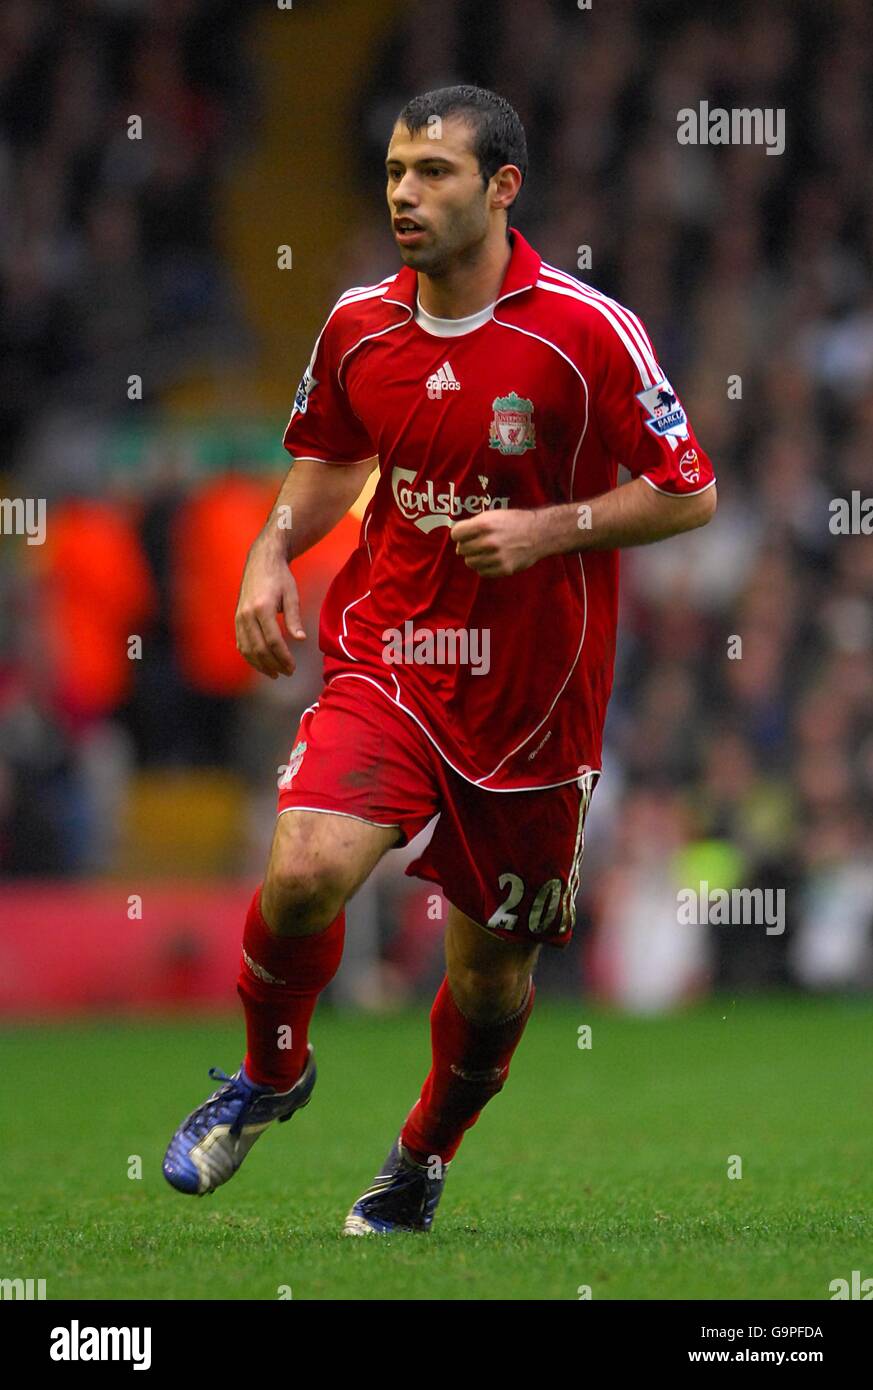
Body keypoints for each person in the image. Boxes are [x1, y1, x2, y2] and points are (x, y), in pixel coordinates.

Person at [162, 84, 717, 1233]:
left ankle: (420, 1155)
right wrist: (270, 552)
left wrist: (546, 528)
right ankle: (270, 1073)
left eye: (436, 174)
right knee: (307, 866)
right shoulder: (360, 325)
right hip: (395, 654)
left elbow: (690, 490)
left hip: (535, 705)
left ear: (504, 188)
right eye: (396, 172)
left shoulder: (584, 331)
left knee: (488, 979)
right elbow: (325, 458)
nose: (406, 195)